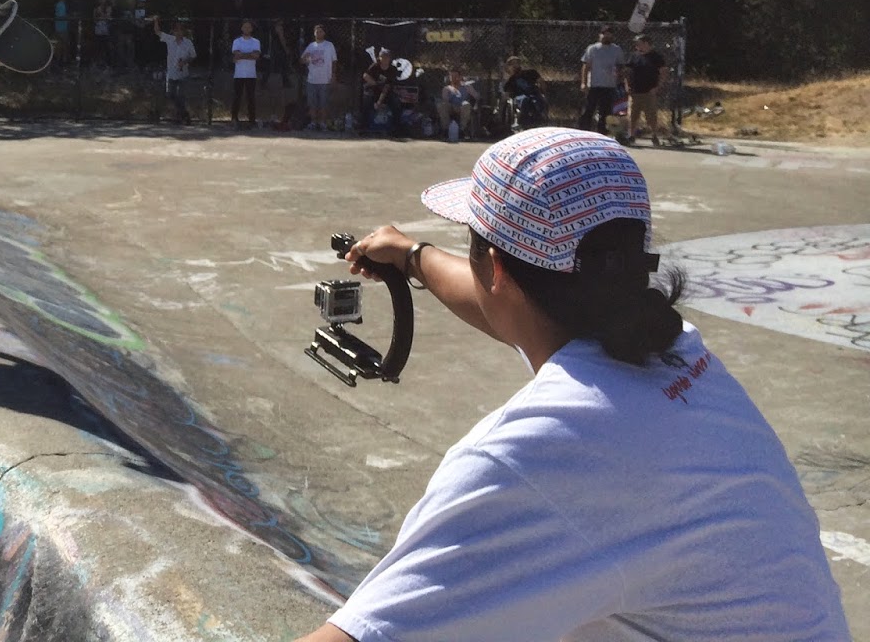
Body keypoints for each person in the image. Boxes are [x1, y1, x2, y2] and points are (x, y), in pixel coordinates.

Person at [296, 127, 849, 642]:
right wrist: (414, 257)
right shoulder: (676, 350)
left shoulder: (539, 453)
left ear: (495, 267)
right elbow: (507, 305)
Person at [578, 25, 625, 135]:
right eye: (604, 34)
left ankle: (602, 133)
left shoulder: (616, 50)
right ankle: (584, 132)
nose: (606, 36)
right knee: (589, 109)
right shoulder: (592, 48)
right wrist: (583, 83)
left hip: (609, 86)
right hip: (594, 85)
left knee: (606, 111)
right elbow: (586, 66)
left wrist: (619, 78)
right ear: (600, 35)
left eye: (609, 34)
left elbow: (620, 67)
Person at [152, 15, 197, 125]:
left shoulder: (188, 43)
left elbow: (193, 56)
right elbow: (157, 32)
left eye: (180, 31)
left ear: (183, 32)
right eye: (176, 30)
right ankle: (183, 114)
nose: (178, 33)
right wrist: (156, 21)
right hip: (171, 72)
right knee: (170, 94)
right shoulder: (169, 39)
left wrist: (185, 62)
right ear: (173, 31)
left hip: (183, 73)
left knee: (180, 95)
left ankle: (182, 117)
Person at [625, 33, 667, 145]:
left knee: (651, 115)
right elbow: (627, 72)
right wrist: (627, 86)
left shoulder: (656, 57)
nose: (637, 46)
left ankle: (654, 135)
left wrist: (657, 87)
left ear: (646, 44)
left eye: (639, 43)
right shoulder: (634, 56)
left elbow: (663, 73)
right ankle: (631, 135)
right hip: (634, 91)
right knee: (633, 115)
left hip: (649, 91)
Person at [300, 24, 339, 131]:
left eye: (320, 31)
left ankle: (322, 123)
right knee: (312, 103)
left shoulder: (329, 45)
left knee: (323, 103)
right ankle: (313, 122)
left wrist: (333, 75)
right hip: (312, 79)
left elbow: (334, 61)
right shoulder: (311, 46)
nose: (318, 33)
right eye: (316, 31)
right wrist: (305, 58)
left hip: (325, 80)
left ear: (324, 33)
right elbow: (302, 60)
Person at [229, 19, 261, 129]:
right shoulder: (237, 41)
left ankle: (252, 120)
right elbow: (236, 53)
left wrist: (242, 55)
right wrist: (249, 55)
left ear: (251, 29)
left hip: (251, 74)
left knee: (250, 97)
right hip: (239, 74)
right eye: (245, 27)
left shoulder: (256, 42)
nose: (247, 29)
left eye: (249, 27)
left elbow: (256, 55)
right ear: (242, 28)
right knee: (237, 96)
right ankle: (234, 118)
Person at [501, 56, 547, 131]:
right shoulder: (511, 80)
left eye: (516, 63)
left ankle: (539, 120)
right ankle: (523, 122)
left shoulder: (531, 72)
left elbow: (541, 82)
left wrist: (543, 92)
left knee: (537, 101)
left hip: (534, 94)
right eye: (512, 64)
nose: (515, 65)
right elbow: (507, 92)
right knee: (525, 100)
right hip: (520, 97)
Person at [360, 48, 397, 135]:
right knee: (366, 101)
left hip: (386, 93)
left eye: (387, 57)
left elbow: (387, 87)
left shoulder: (392, 69)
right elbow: (365, 75)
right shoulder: (374, 66)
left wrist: (379, 102)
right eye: (382, 57)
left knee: (396, 103)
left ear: (390, 58)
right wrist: (374, 83)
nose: (384, 59)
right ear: (379, 58)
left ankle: (395, 128)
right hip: (373, 91)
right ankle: (364, 127)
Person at [437, 66, 477, 141]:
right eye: (451, 76)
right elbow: (445, 100)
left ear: (460, 77)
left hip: (462, 107)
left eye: (455, 76)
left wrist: (476, 103)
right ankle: (446, 130)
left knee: (466, 104)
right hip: (451, 107)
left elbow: (477, 96)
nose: (453, 78)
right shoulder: (447, 88)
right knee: (442, 105)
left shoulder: (467, 87)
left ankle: (462, 130)